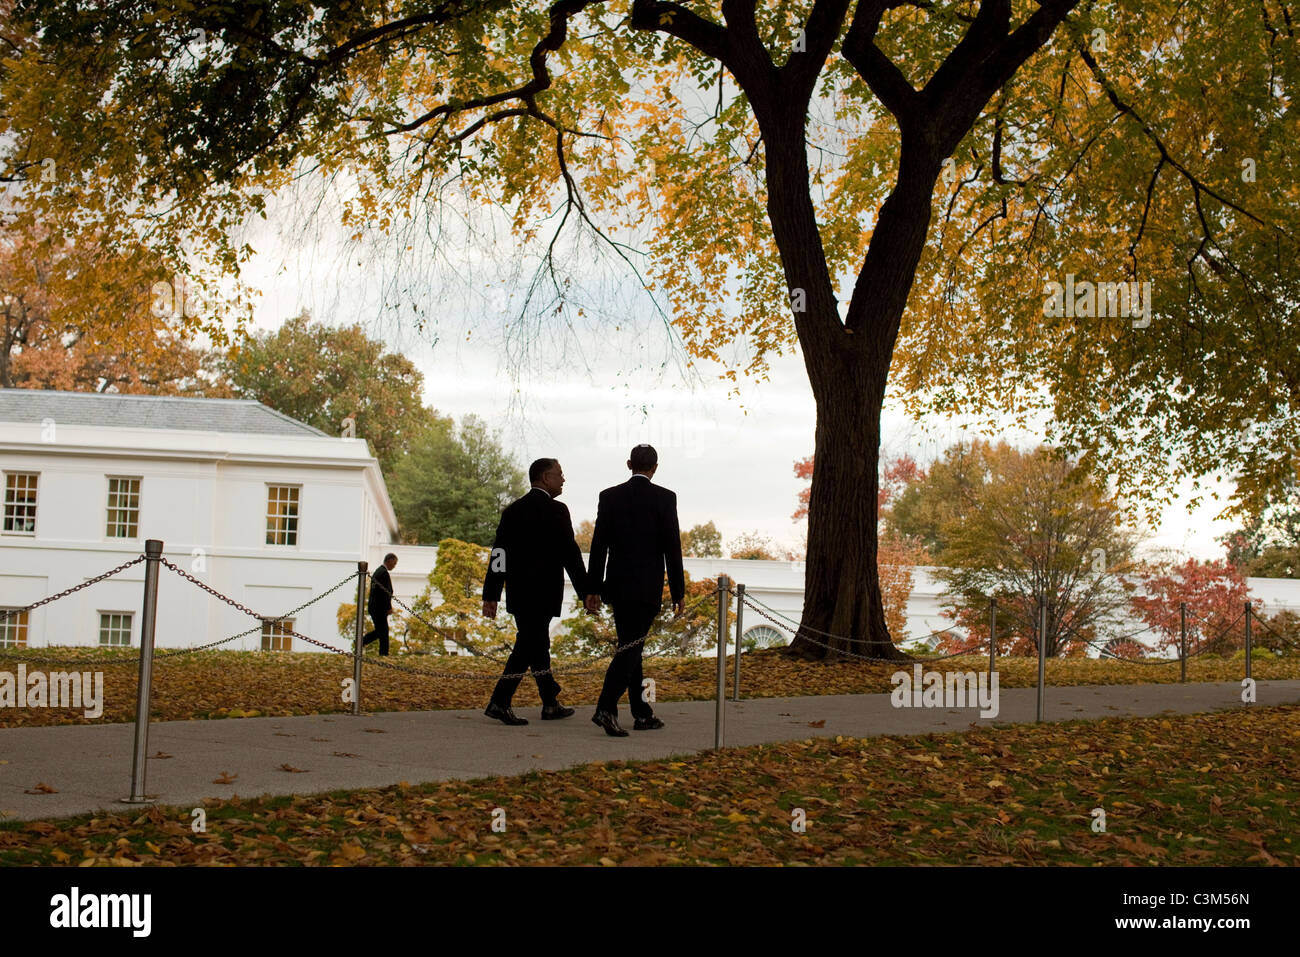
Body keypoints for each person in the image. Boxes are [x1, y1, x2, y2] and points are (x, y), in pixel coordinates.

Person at [481, 458, 589, 725]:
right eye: (559, 474)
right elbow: (571, 556)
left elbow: (499, 555)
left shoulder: (512, 511)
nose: (563, 479)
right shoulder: (558, 511)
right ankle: (500, 701)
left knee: (537, 644)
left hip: (518, 592)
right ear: (543, 477)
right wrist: (586, 590)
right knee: (528, 645)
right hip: (544, 593)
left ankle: (550, 702)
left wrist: (491, 593)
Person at [586, 444, 684, 736]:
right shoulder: (665, 498)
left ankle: (642, 712)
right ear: (655, 467)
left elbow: (598, 545)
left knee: (631, 646)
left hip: (617, 585)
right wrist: (678, 591)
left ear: (629, 464)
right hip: (646, 587)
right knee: (630, 649)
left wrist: (593, 587)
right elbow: (672, 547)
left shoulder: (609, 496)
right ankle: (606, 707)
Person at [362, 553, 398, 656]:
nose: (394, 566)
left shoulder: (378, 572)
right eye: (394, 563)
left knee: (381, 631)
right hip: (379, 608)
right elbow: (385, 592)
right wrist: (388, 607)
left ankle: (364, 642)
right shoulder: (383, 573)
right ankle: (382, 652)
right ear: (389, 560)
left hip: (375, 607)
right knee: (383, 631)